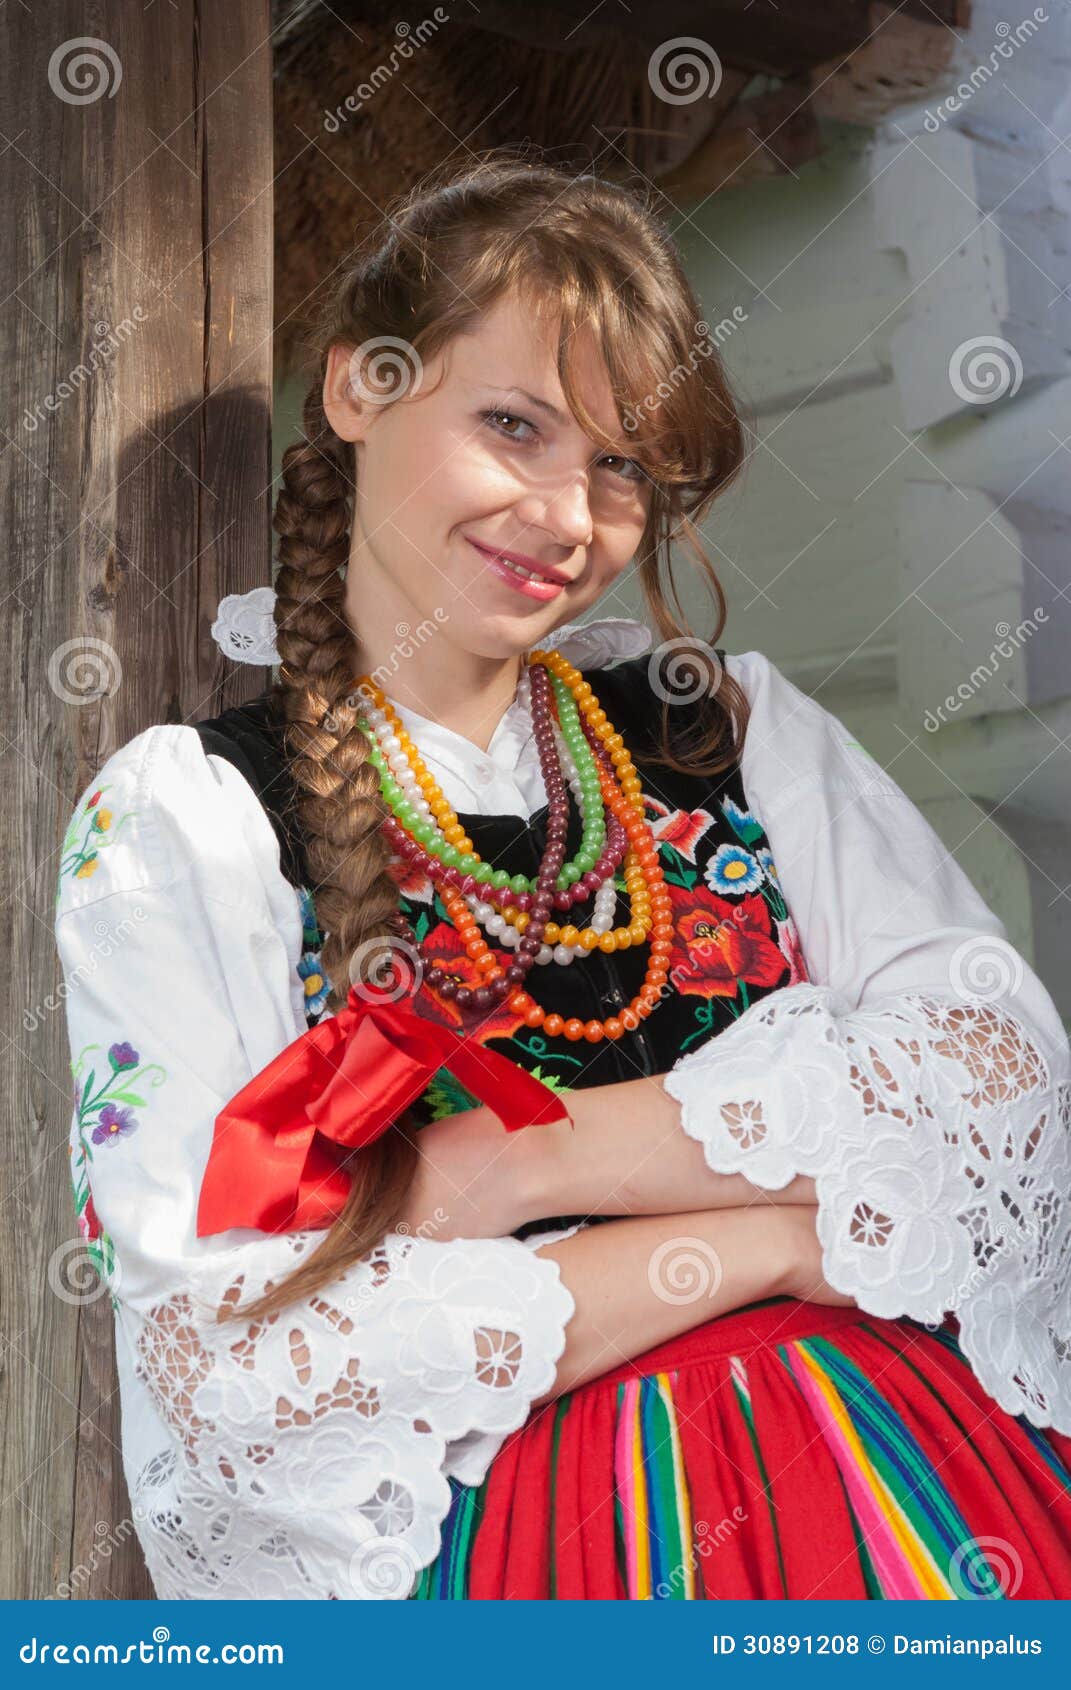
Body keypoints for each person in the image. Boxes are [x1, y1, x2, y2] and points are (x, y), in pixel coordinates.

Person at [55, 152, 1071, 1602]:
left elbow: (1004, 1090)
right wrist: (767, 1240)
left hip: (902, 1483)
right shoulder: (188, 818)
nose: (567, 515)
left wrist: (526, 1160)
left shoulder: (733, 728)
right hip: (537, 1549)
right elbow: (233, 1364)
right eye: (515, 426)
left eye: (622, 465)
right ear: (357, 390)